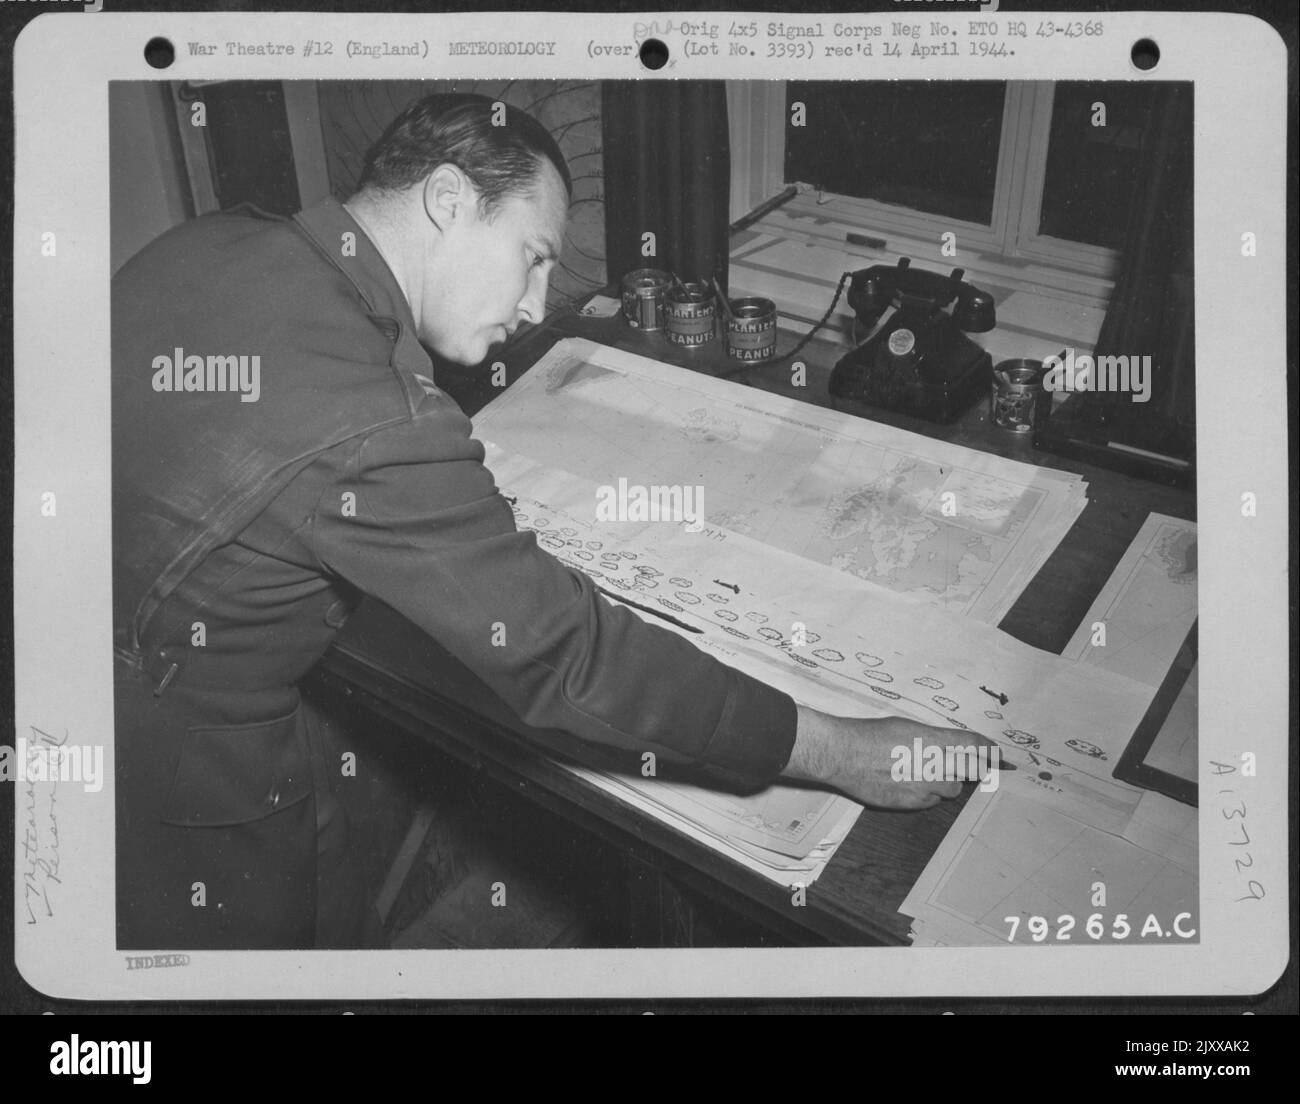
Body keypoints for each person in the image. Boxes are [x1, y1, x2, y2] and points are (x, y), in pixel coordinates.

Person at [112, 92, 983, 950]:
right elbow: (570, 659)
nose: (535, 305)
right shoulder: (376, 415)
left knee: (335, 904)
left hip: (106, 655)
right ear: (448, 200)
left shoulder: (223, 236)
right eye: (532, 257)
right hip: (174, 750)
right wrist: (840, 751)